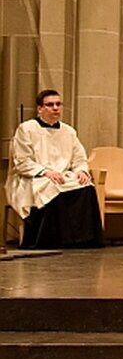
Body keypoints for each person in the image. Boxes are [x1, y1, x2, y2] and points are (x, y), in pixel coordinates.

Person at [5, 89, 104, 249]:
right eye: (50, 105)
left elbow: (79, 157)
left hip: (63, 175)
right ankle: (51, 240)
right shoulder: (27, 129)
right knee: (51, 186)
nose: (55, 108)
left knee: (86, 186)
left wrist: (81, 171)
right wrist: (45, 172)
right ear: (40, 108)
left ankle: (83, 239)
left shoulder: (69, 131)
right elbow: (22, 161)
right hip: (33, 176)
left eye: (58, 104)